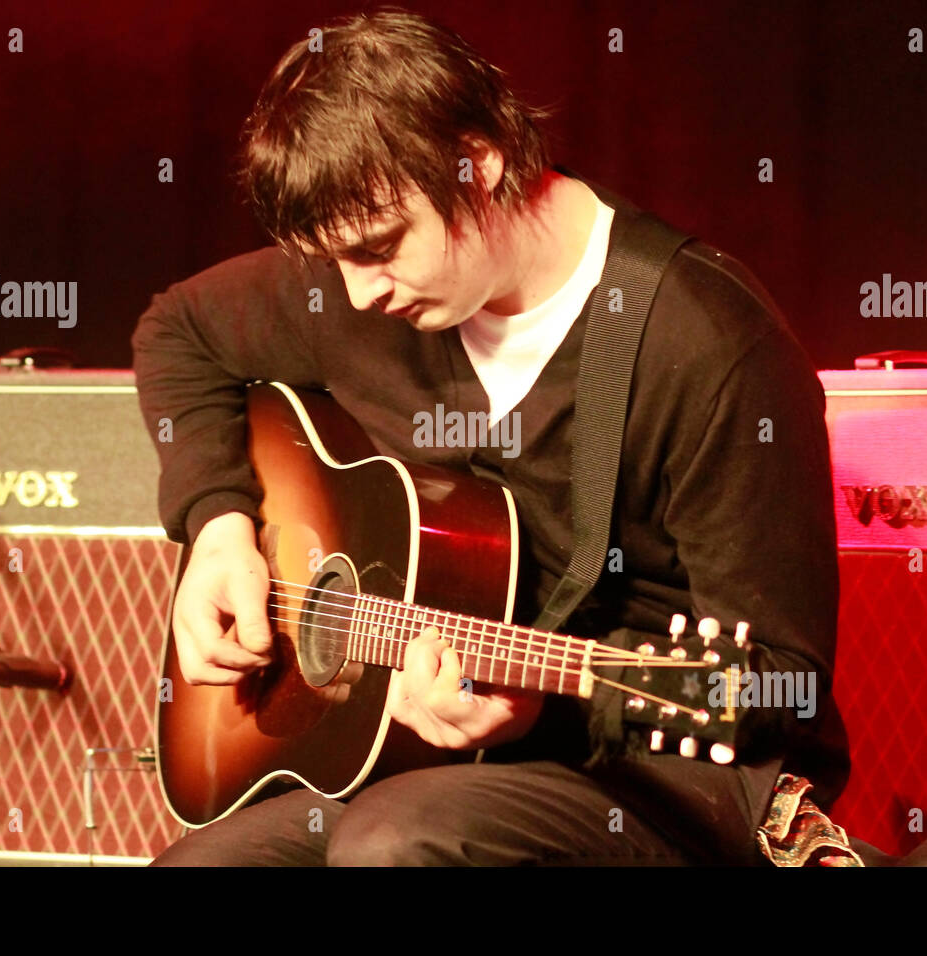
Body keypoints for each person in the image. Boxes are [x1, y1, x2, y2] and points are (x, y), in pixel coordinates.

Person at [133, 8, 850, 866]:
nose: (359, 295)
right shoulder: (364, 289)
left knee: (394, 849)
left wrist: (545, 704)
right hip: (436, 758)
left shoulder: (708, 344)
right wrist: (217, 529)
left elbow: (782, 682)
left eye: (380, 249)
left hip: (660, 779)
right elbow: (176, 331)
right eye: (336, 266)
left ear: (480, 163)